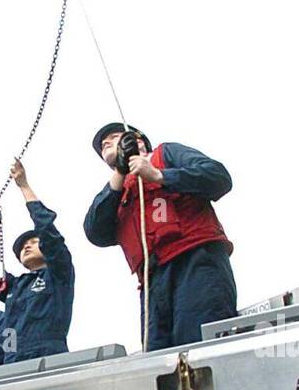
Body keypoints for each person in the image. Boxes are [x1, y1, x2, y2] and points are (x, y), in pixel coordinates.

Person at [83, 123, 237, 349]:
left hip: (195, 262)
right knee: (158, 355)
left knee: (199, 342)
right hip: (153, 282)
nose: (105, 143)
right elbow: (95, 232)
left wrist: (159, 175)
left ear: (137, 140)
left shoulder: (166, 154)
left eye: (113, 137)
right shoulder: (118, 191)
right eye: (103, 145)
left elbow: (218, 177)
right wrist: (119, 175)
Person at [0, 159, 74, 362]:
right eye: (21, 248)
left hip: (49, 354)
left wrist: (24, 186)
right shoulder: (13, 287)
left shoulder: (59, 273)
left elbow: (48, 231)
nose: (27, 246)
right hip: (11, 356)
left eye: (34, 242)